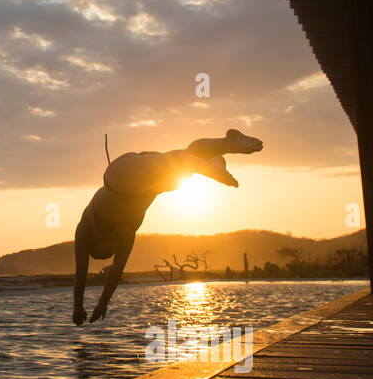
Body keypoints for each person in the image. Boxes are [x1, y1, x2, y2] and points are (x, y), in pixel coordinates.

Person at [72, 128, 264, 325]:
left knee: (180, 164)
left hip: (119, 178)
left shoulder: (87, 228)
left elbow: (84, 272)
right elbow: (115, 271)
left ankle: (210, 167)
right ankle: (226, 146)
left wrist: (80, 306)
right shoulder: (126, 234)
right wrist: (102, 304)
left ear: (100, 245)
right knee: (186, 157)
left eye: (106, 253)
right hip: (141, 178)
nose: (112, 252)